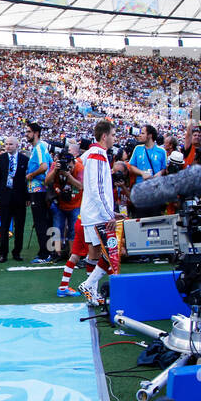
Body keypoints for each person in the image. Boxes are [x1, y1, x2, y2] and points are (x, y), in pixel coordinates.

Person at [77, 120, 117, 306]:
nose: (114, 138)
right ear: (104, 136)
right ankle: (89, 284)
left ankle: (91, 291)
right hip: (97, 214)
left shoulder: (90, 154)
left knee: (96, 254)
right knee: (110, 252)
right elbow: (98, 189)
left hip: (91, 212)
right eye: (113, 135)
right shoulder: (98, 155)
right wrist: (110, 214)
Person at [0, 137, 29, 262]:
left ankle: (17, 252)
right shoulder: (1, 159)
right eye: (6, 144)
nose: (8, 146)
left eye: (11, 144)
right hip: (5, 196)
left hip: (20, 197)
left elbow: (26, 180)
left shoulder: (24, 159)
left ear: (17, 145)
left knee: (19, 227)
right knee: (4, 226)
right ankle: (3, 253)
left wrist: (28, 197)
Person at [24, 121, 53, 262]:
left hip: (39, 189)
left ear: (36, 133)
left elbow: (44, 166)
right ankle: (46, 251)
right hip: (38, 189)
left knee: (40, 222)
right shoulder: (39, 148)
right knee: (42, 221)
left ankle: (45, 253)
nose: (26, 134)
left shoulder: (40, 147)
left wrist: (31, 175)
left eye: (28, 132)